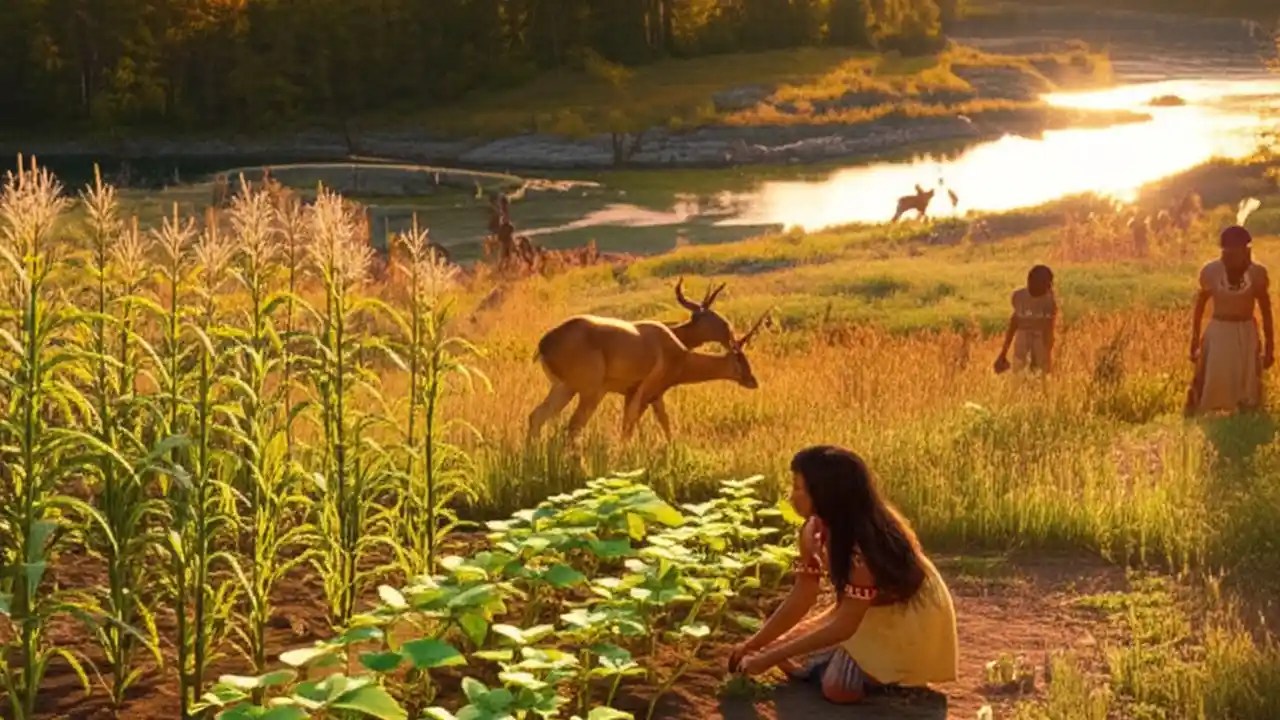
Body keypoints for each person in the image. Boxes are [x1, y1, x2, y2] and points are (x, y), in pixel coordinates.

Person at [729, 446, 958, 704]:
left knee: (838, 688)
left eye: (798, 488)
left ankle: (887, 679)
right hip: (860, 612)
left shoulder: (861, 549)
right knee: (780, 643)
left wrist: (766, 658)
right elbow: (803, 594)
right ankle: (836, 662)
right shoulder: (813, 529)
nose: (791, 496)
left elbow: (844, 625)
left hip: (907, 621)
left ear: (825, 495)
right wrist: (753, 645)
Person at [1185, 225, 1274, 416]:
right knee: (1214, 380)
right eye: (1229, 249)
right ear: (1223, 250)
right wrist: (1194, 339)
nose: (1234, 253)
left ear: (1247, 249)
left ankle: (1244, 419)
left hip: (1246, 332)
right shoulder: (1211, 272)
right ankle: (1208, 416)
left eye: (1239, 248)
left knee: (1246, 383)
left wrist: (1270, 348)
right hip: (1219, 334)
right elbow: (1200, 305)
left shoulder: (1257, 274)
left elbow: (1266, 311)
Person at [994, 265, 1057, 374]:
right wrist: (1003, 352)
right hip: (1022, 341)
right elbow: (1014, 323)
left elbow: (1049, 330)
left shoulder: (1049, 302)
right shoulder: (1019, 297)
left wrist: (1047, 354)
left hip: (1039, 341)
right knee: (1020, 374)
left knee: (1038, 376)